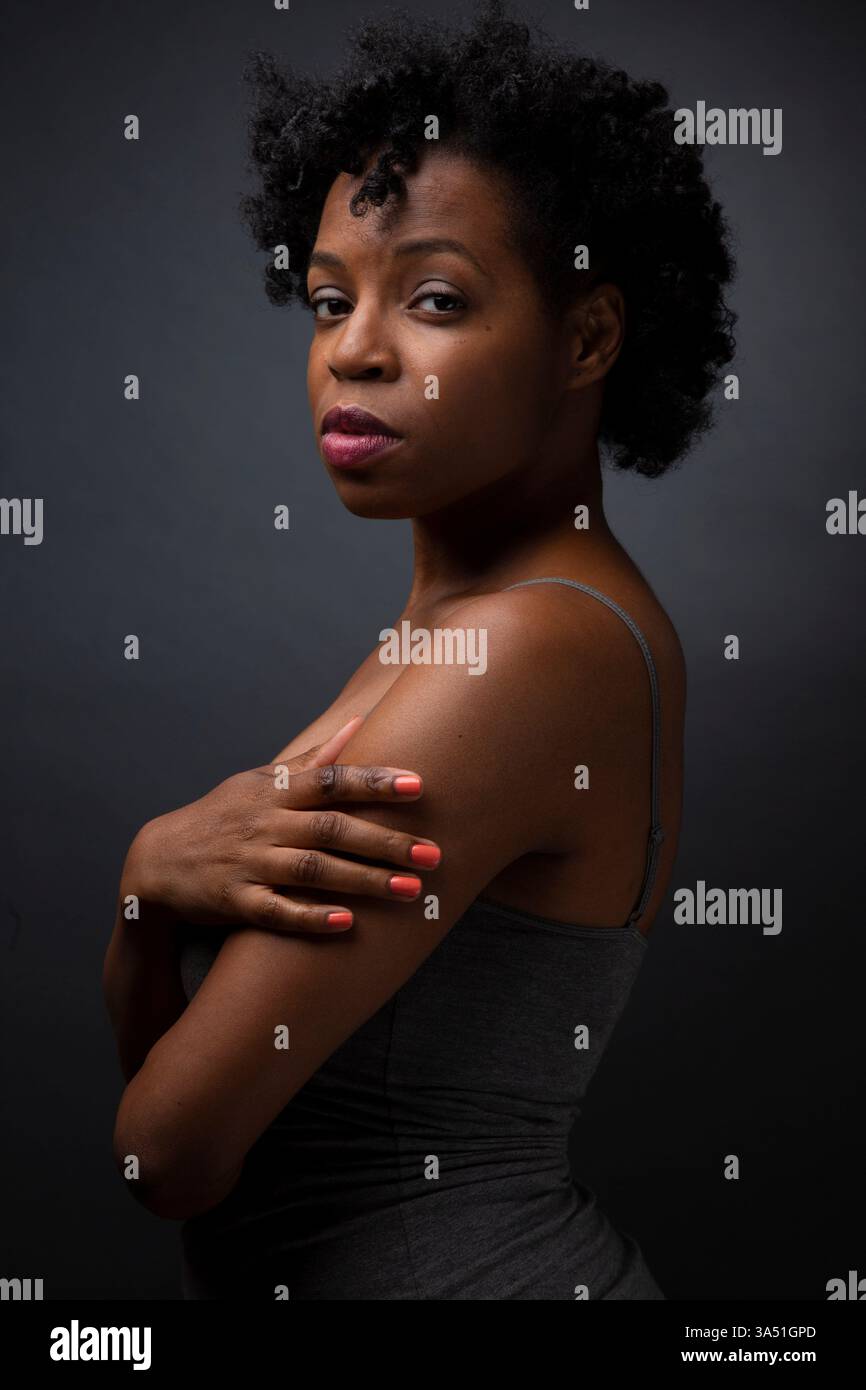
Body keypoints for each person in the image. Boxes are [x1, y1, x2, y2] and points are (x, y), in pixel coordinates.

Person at [102, 0, 735, 1299]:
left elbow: (166, 1154)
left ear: (587, 338)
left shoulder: (521, 654)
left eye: (434, 298)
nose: (354, 350)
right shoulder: (455, 628)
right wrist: (150, 895)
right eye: (329, 298)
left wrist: (146, 872)